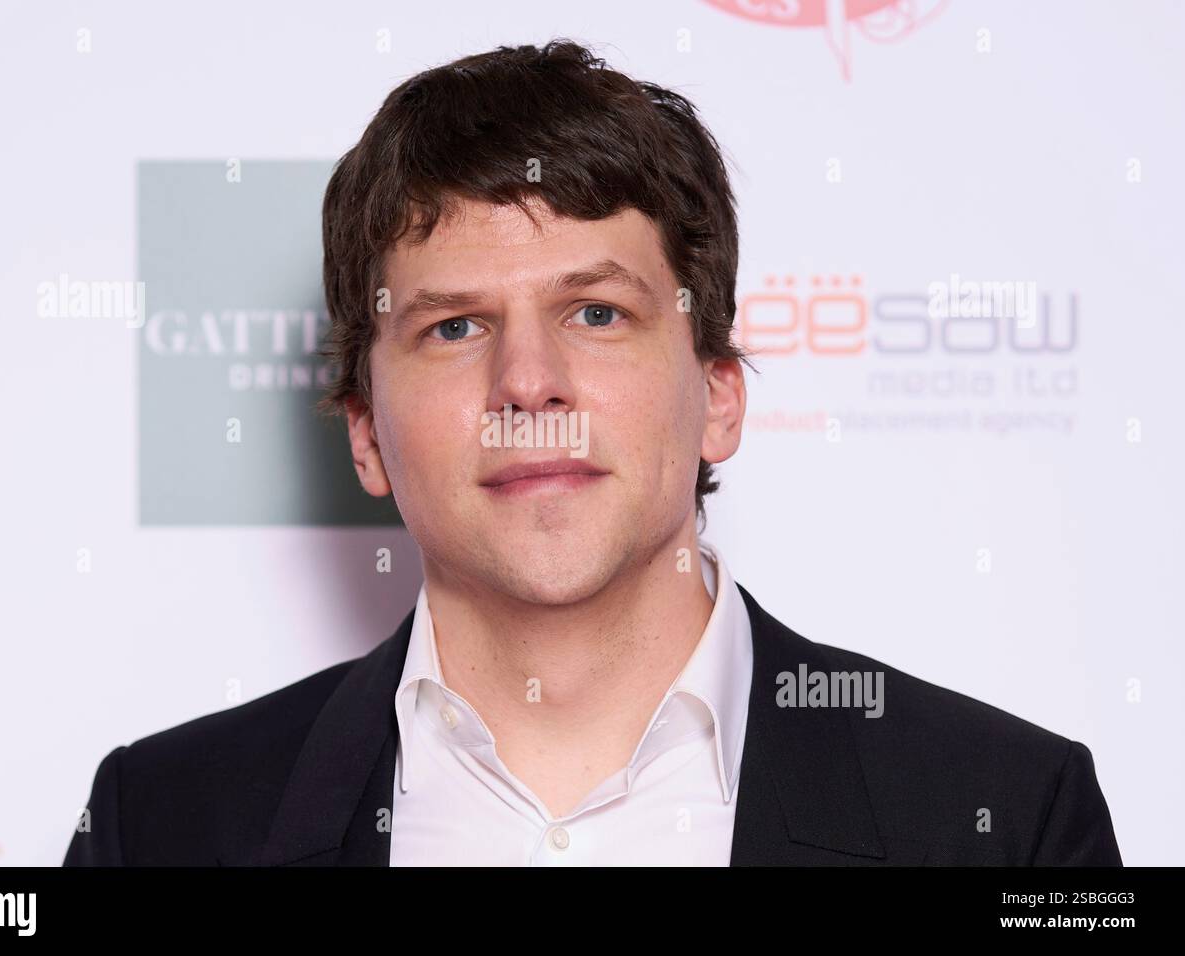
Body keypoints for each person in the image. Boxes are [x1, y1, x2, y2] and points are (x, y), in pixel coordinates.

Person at [64, 39, 1120, 866]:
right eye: (455, 327)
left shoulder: (1006, 818)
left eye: (598, 313)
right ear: (363, 433)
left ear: (716, 395)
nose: (528, 381)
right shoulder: (162, 822)